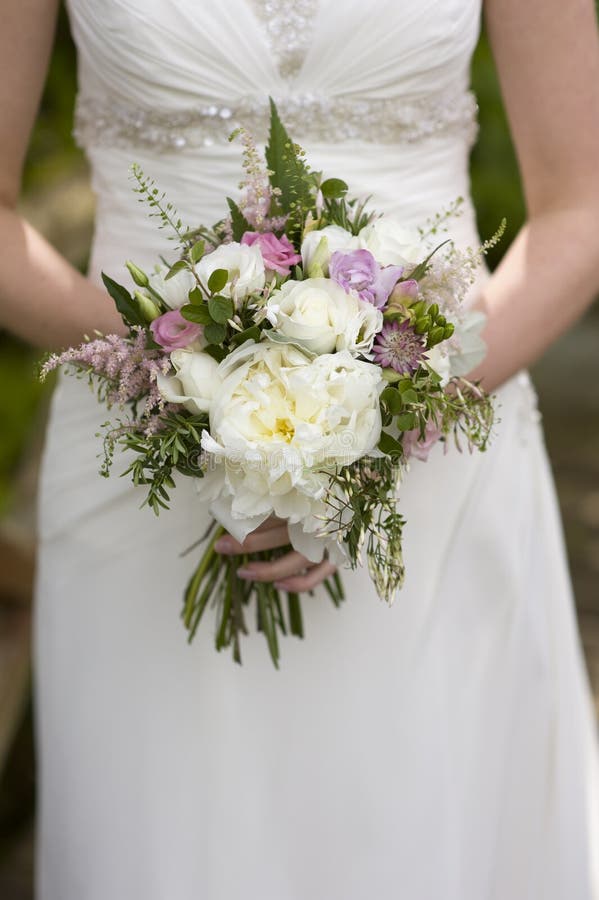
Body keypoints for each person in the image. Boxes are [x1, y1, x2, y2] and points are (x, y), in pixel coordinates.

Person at [2, 0, 599, 897]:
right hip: (140, 455)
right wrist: (179, 372)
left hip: (434, 456)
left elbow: (580, 207)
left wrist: (382, 417)